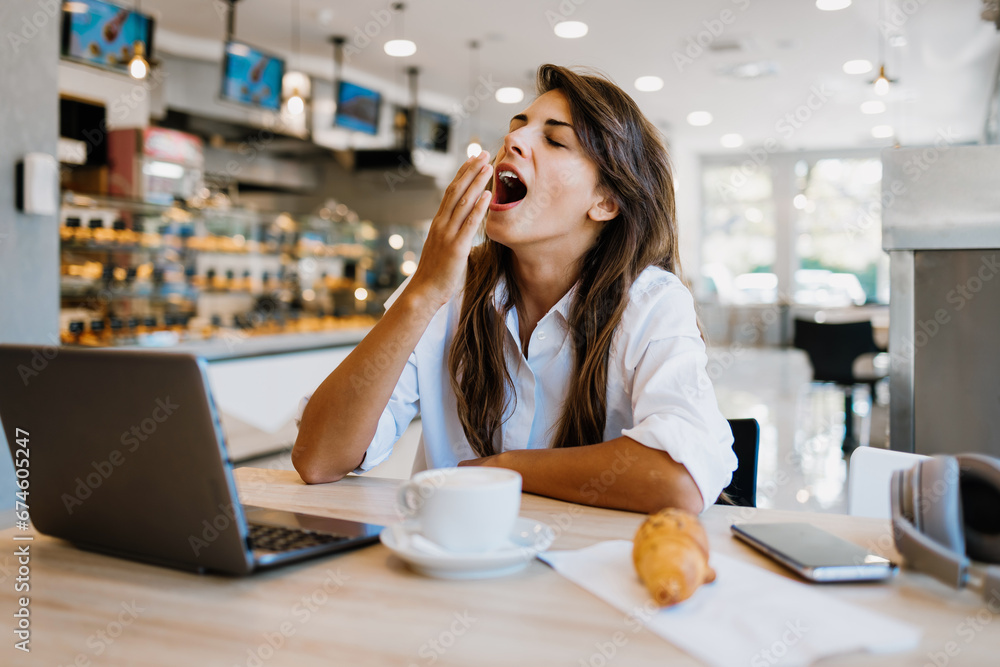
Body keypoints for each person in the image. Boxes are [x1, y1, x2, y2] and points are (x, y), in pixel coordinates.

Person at [292, 64, 736, 515]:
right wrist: (421, 293)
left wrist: (503, 468)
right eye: (517, 128)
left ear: (605, 202)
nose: (514, 141)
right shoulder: (444, 286)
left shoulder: (652, 304)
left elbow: (678, 480)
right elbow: (320, 457)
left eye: (555, 139)